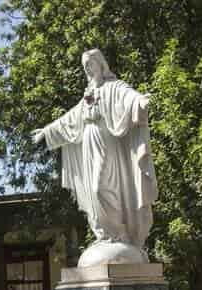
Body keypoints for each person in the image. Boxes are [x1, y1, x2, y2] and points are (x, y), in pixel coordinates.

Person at [31, 48, 156, 268]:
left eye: (91, 64)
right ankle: (105, 234)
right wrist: (46, 131)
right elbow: (70, 119)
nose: (88, 69)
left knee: (102, 186)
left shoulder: (113, 87)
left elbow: (129, 96)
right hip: (88, 142)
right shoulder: (88, 94)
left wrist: (140, 102)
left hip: (105, 140)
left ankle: (120, 233)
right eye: (85, 66)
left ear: (101, 64)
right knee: (92, 191)